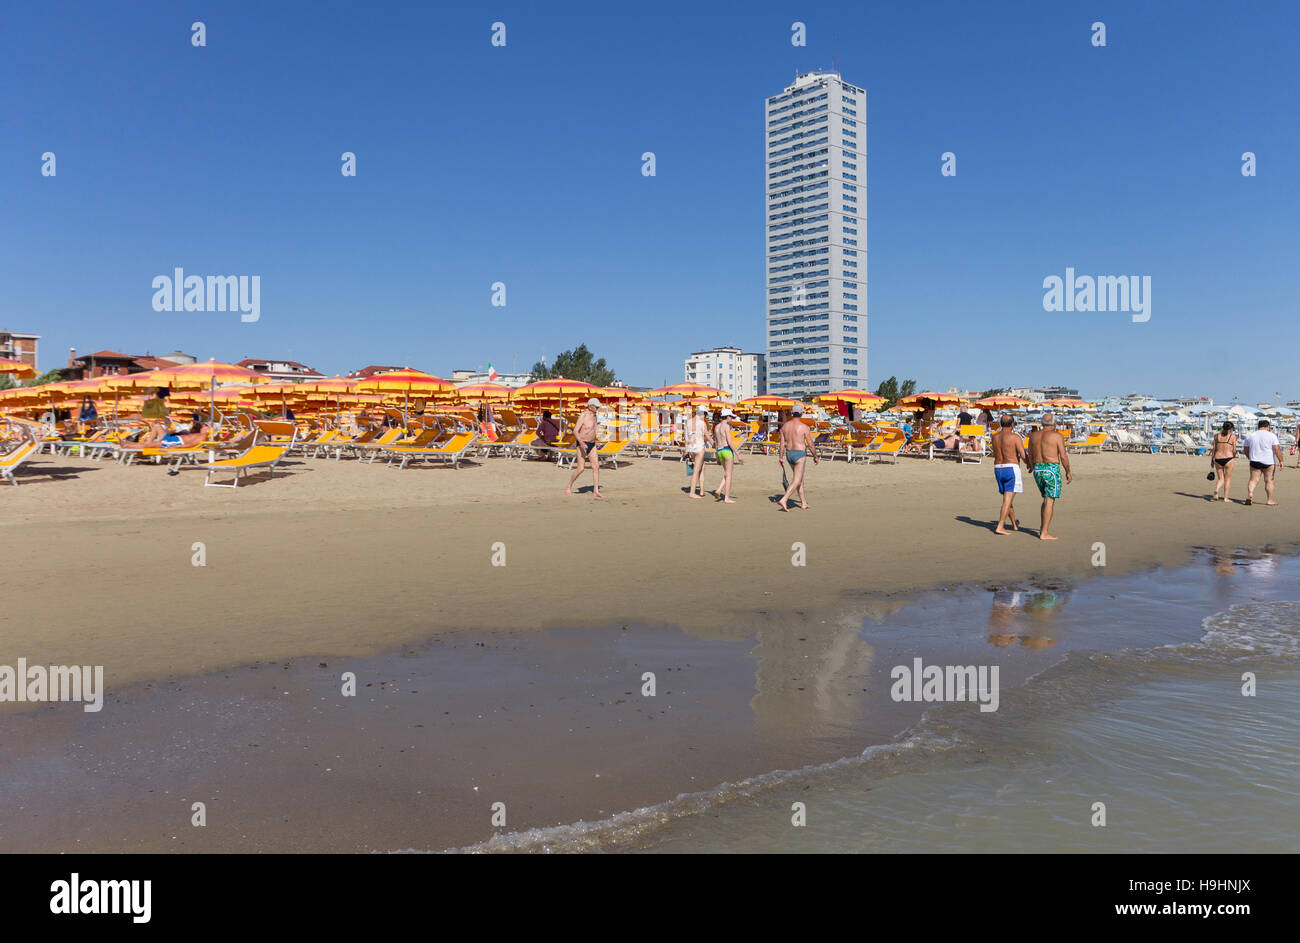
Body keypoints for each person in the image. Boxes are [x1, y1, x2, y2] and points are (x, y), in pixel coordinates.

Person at [1026, 412, 1072, 540]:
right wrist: (1068, 471)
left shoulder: (1033, 436)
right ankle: (1044, 533)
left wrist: (1030, 466)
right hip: (1051, 468)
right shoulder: (1057, 436)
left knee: (1046, 499)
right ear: (1054, 423)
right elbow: (1063, 456)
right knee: (1050, 500)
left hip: (1038, 469)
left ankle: (1043, 528)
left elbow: (1029, 453)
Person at [777, 404, 818, 511]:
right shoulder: (804, 427)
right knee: (796, 480)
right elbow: (810, 444)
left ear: (791, 413)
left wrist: (781, 457)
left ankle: (803, 503)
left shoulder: (784, 427)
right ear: (801, 413)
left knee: (799, 479)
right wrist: (815, 456)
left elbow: (781, 443)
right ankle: (784, 499)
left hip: (789, 453)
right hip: (799, 454)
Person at [991, 414, 1027, 534]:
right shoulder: (1015, 437)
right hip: (1011, 468)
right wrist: (1030, 465)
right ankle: (1000, 526)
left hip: (998, 468)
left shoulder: (994, 437)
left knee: (1008, 498)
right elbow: (1023, 455)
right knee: (1007, 500)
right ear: (1012, 424)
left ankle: (1014, 524)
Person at [565, 398, 603, 498]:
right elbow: (575, 431)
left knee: (596, 467)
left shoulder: (595, 416)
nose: (598, 408)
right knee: (581, 468)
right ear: (590, 406)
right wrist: (581, 442)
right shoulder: (583, 415)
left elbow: (592, 429)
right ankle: (569, 485)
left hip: (592, 444)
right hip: (582, 443)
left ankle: (595, 491)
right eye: (596, 406)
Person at [1243, 419, 1282, 506]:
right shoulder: (1272, 436)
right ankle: (1269, 500)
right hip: (1268, 461)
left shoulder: (1251, 435)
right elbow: (1277, 449)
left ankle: (1250, 494)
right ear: (1268, 426)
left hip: (1255, 460)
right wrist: (1281, 460)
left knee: (1253, 480)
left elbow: (1245, 449)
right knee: (1269, 480)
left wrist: (1249, 457)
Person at [712, 408, 744, 504]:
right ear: (727, 416)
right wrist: (738, 454)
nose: (731, 418)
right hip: (727, 450)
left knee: (727, 472)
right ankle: (726, 498)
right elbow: (730, 442)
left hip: (720, 450)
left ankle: (719, 489)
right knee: (729, 475)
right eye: (731, 417)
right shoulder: (726, 426)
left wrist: (717, 456)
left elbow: (716, 443)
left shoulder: (717, 427)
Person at [684, 404, 710, 498]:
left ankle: (702, 491)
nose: (705, 416)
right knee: (696, 470)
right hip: (699, 447)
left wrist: (686, 450)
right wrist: (713, 443)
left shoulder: (688, 422)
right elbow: (707, 435)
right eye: (705, 414)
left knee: (702, 467)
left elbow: (686, 437)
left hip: (691, 448)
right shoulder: (702, 423)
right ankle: (692, 492)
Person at [1210, 421, 1237, 502]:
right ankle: (1225, 498)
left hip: (1218, 458)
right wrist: (1234, 456)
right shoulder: (1232, 437)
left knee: (1220, 479)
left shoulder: (1216, 436)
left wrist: (1212, 460)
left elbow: (1214, 449)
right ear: (1231, 429)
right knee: (1227, 479)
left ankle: (1217, 490)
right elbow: (1234, 450)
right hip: (1228, 458)